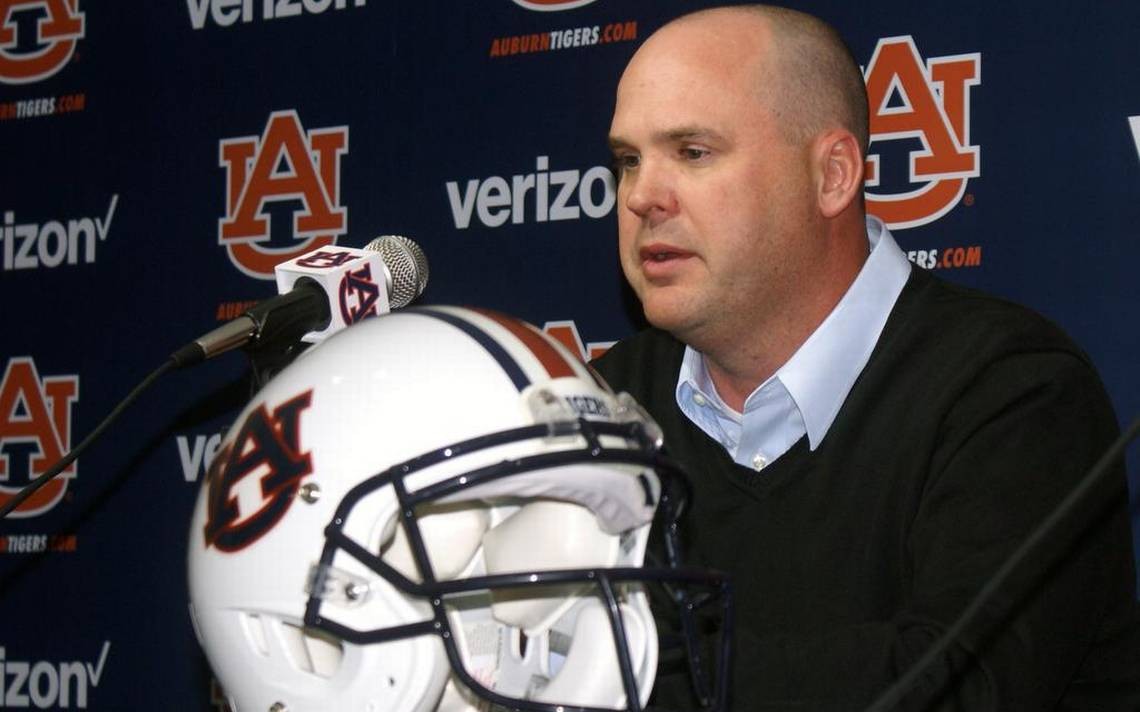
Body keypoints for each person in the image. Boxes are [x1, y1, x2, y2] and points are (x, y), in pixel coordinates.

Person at [594, 5, 1140, 710]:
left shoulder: (1016, 392)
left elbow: (950, 689)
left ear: (833, 175)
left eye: (693, 153)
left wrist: (615, 678)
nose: (641, 197)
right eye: (628, 161)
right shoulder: (602, 402)